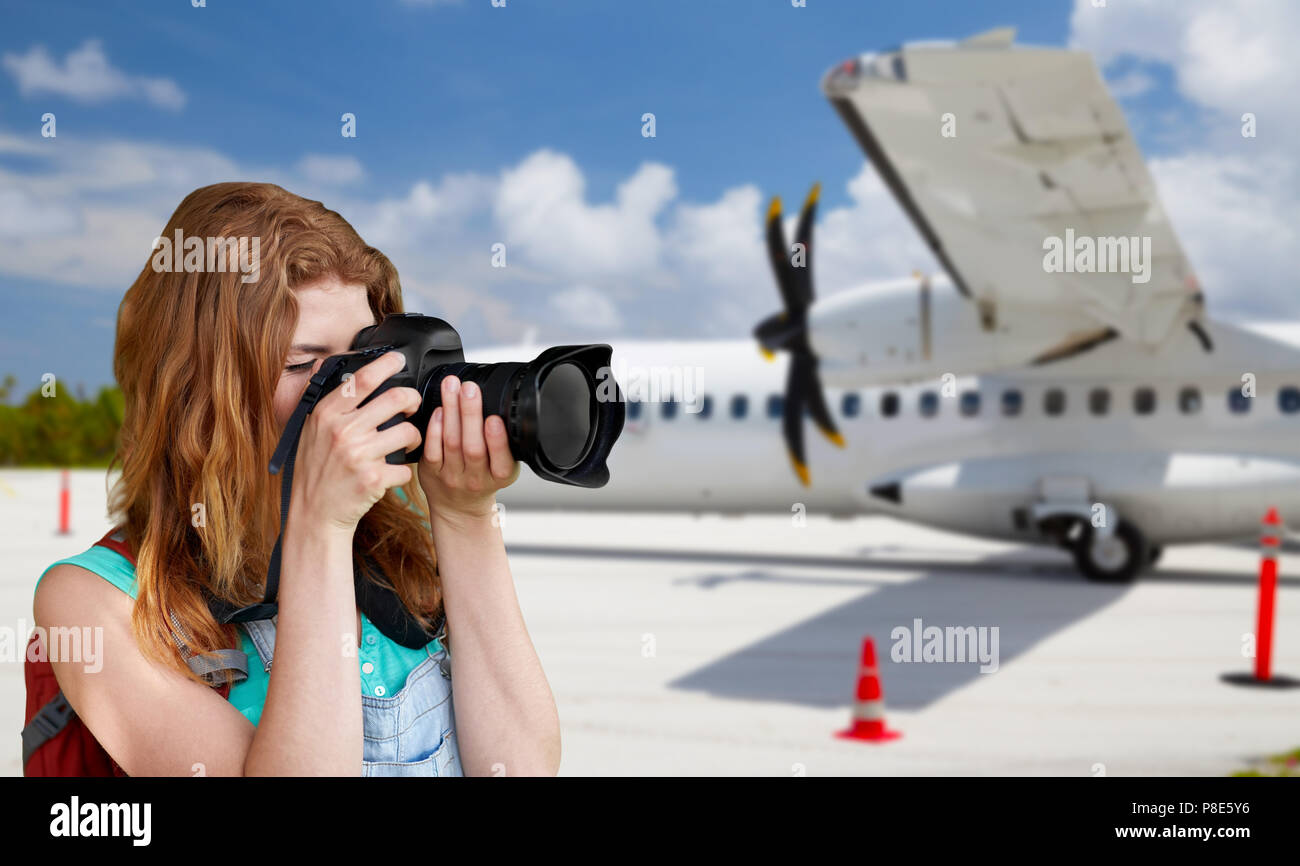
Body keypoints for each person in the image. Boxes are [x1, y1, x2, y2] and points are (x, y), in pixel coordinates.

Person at [32, 182, 560, 776]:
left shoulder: (395, 553)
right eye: (304, 365)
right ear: (197, 391)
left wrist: (465, 520)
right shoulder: (94, 602)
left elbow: (521, 770)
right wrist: (318, 529)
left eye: (363, 357)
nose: (350, 390)